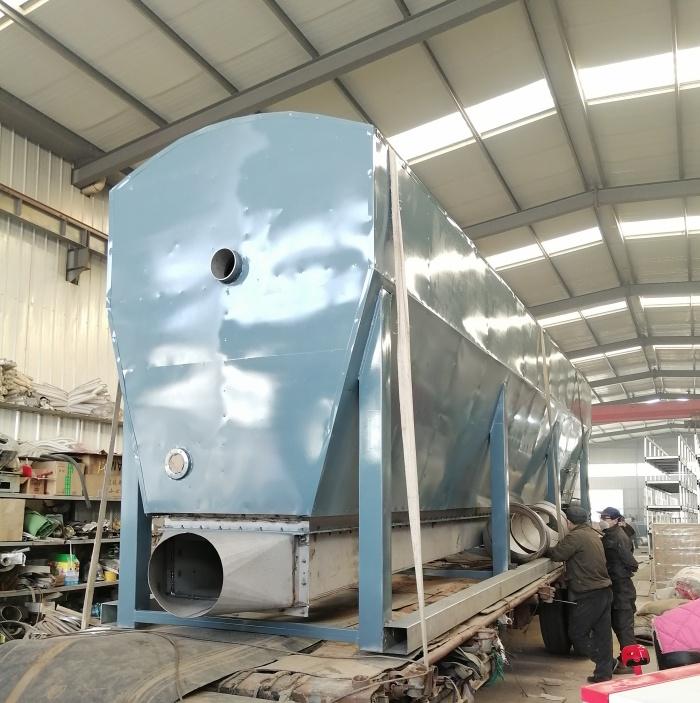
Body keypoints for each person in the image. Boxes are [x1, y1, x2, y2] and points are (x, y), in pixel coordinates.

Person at [547, 505, 614, 683]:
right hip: (604, 591)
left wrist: (543, 548)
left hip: (589, 594)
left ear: (569, 522)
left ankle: (606, 662)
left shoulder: (576, 536)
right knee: (603, 635)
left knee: (577, 634)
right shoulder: (592, 534)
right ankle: (604, 672)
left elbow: (557, 554)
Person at [599, 506, 639, 673]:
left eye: (606, 518)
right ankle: (626, 658)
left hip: (622, 587)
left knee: (624, 627)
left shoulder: (618, 537)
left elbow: (631, 562)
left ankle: (631, 663)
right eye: (602, 517)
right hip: (616, 586)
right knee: (618, 625)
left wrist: (621, 570)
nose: (603, 521)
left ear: (616, 520)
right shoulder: (610, 534)